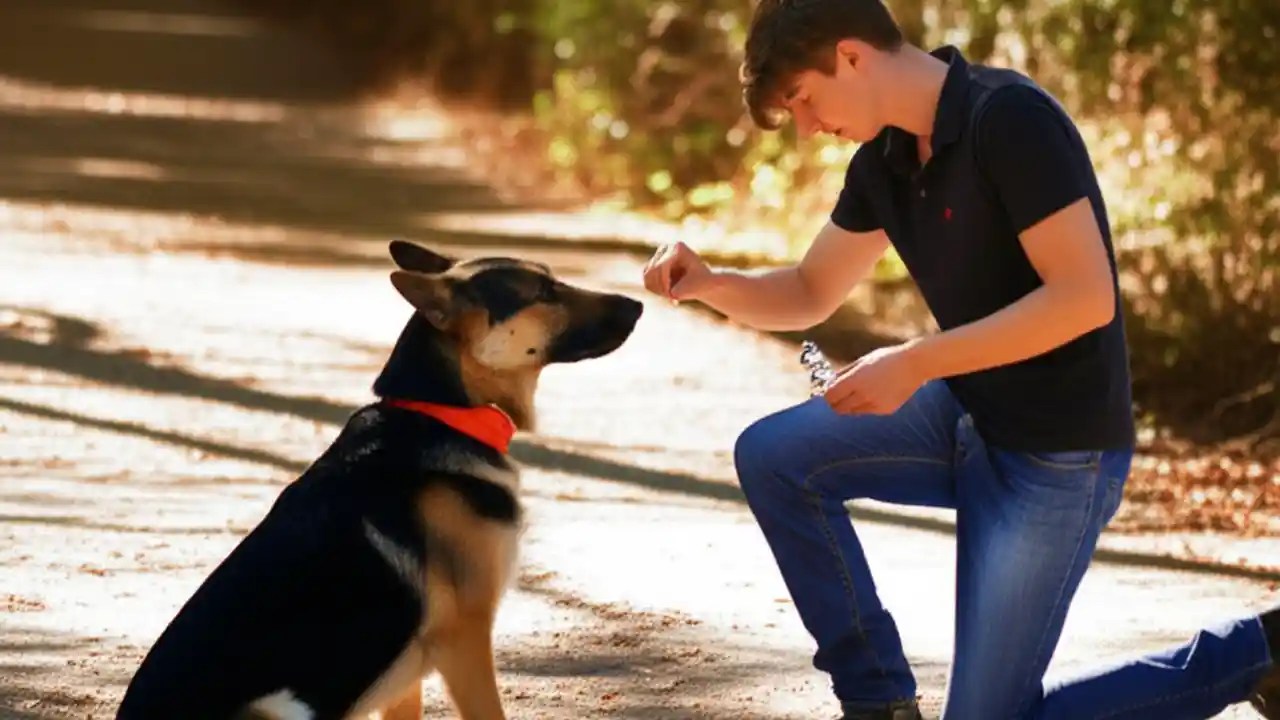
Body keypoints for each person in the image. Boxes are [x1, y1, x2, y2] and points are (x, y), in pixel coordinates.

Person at [640, 1, 1280, 718]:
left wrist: (915, 363)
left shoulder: (1008, 121)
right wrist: (713, 284)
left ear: (851, 56)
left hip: (1057, 455)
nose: (808, 126)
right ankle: (878, 702)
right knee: (774, 457)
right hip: (967, 414)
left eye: (805, 100)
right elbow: (810, 290)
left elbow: (1083, 298)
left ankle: (1256, 652)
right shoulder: (882, 162)